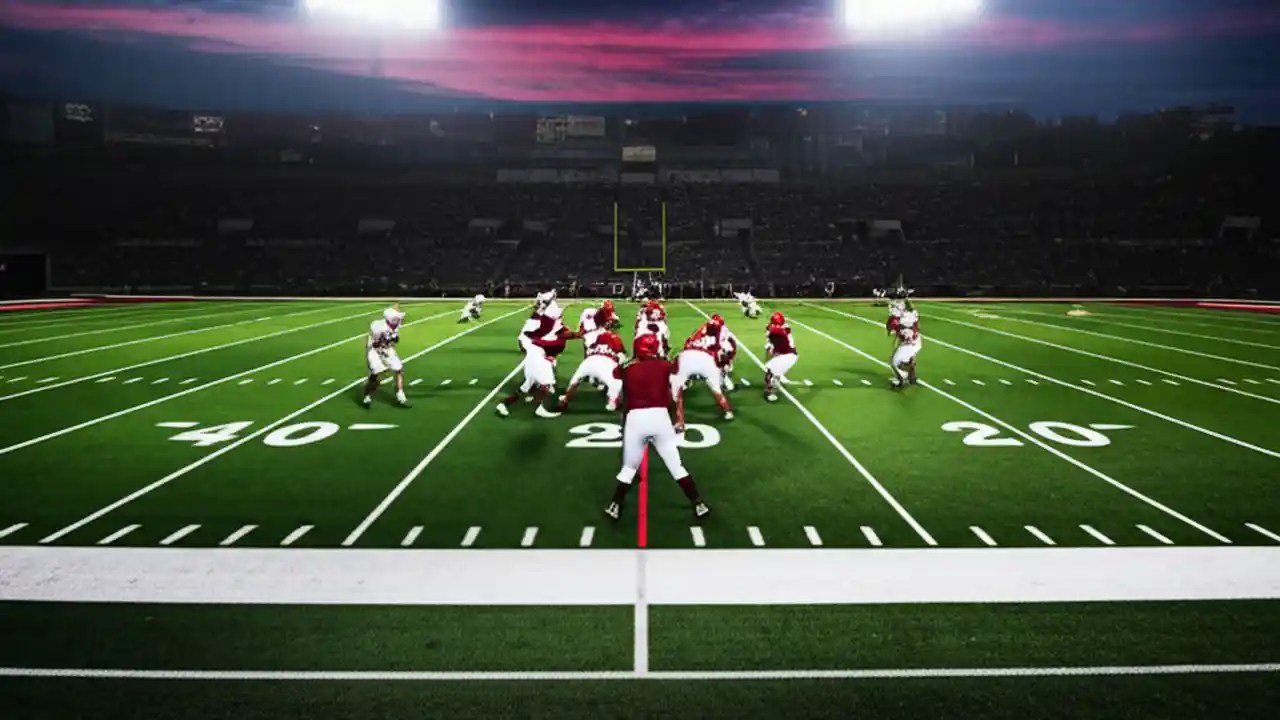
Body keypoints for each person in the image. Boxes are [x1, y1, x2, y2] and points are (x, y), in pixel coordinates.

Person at [604, 334, 710, 521]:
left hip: (635, 418)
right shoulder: (664, 365)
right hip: (660, 418)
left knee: (629, 468)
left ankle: (615, 506)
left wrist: (632, 361)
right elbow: (674, 371)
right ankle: (699, 504)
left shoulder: (628, 368)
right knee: (677, 467)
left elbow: (615, 373)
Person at [362, 305, 408, 407]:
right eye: (396, 318)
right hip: (374, 350)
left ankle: (400, 394)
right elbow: (375, 344)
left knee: (399, 369)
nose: (399, 320)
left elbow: (395, 337)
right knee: (377, 373)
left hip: (387, 348)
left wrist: (393, 339)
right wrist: (387, 341)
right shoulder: (378, 327)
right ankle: (367, 394)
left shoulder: (394, 324)